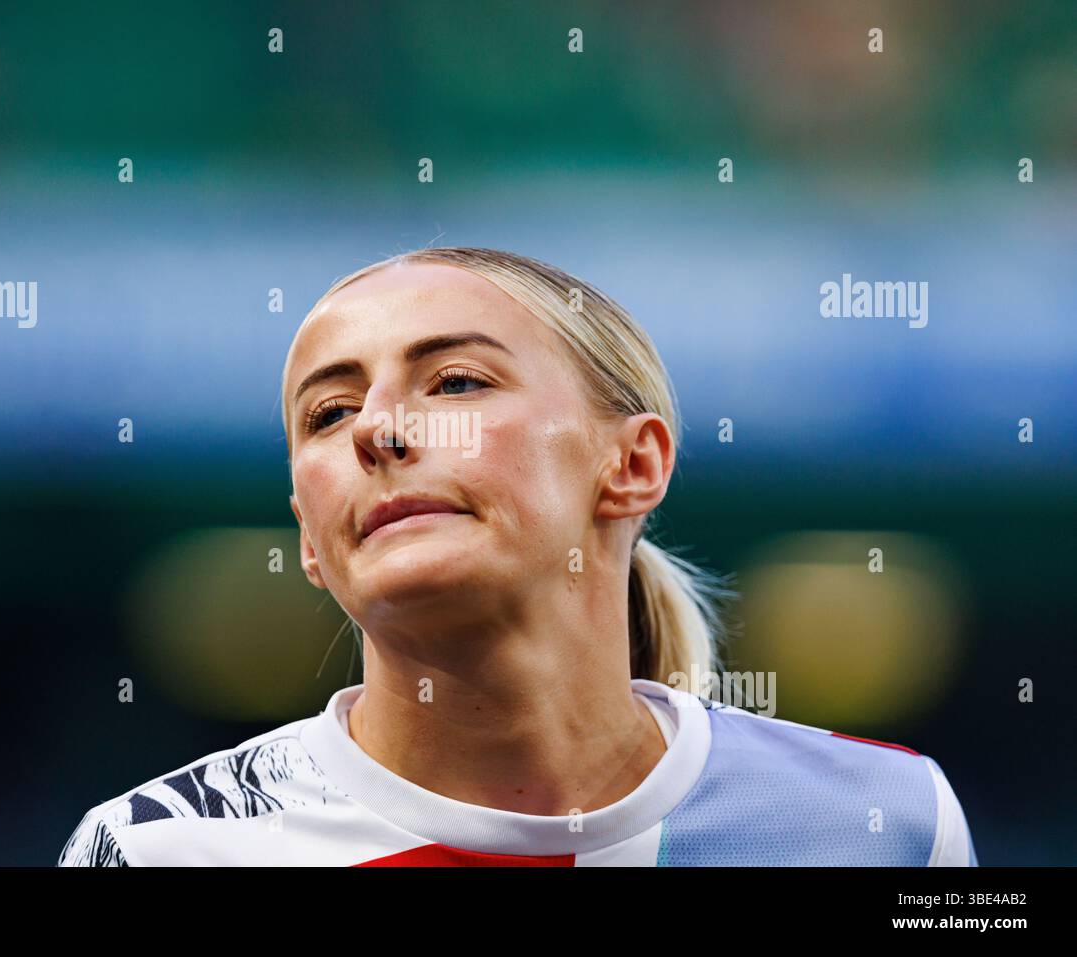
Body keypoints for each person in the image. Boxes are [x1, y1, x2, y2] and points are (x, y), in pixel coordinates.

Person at [57, 246, 977, 866]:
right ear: (308, 534)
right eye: (328, 413)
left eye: (456, 382)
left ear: (633, 463)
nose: (377, 427)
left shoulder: (884, 821)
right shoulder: (160, 847)